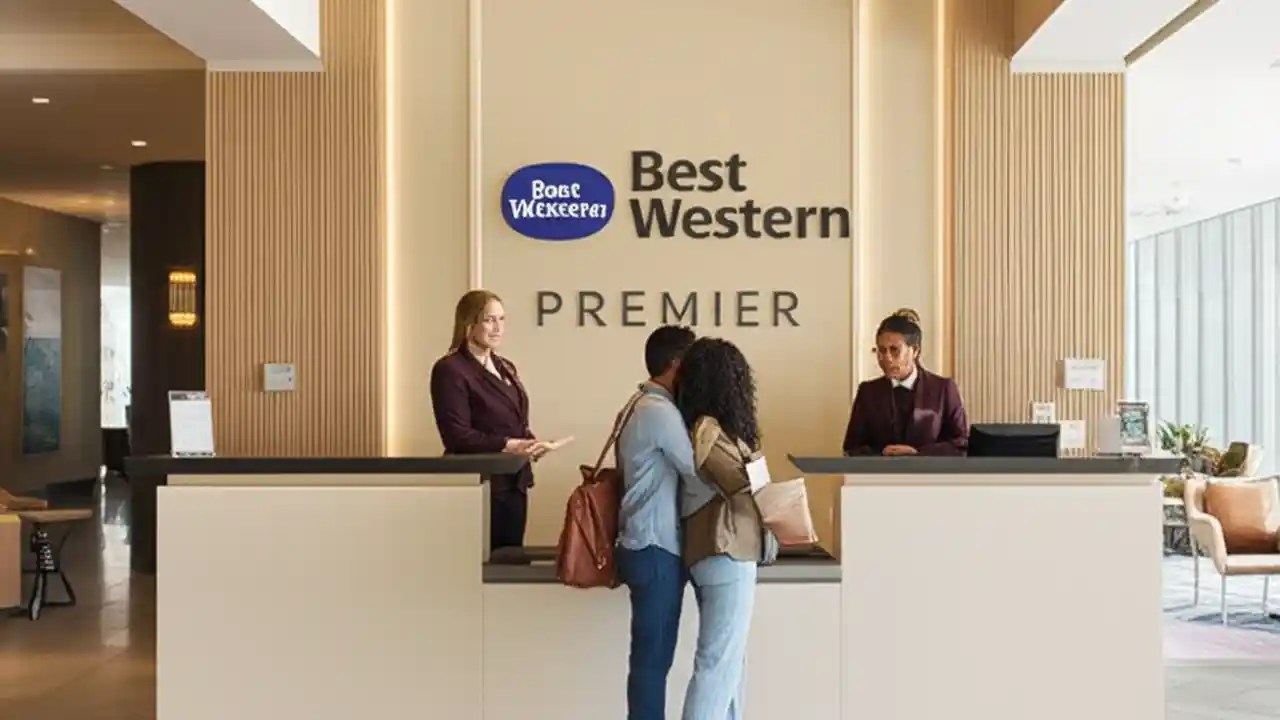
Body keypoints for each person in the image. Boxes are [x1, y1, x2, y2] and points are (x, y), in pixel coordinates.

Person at [675, 337, 766, 720]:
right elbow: (742, 483)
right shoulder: (709, 429)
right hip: (727, 549)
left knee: (730, 666)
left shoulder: (700, 426)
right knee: (718, 665)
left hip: (717, 551)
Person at [616, 325, 699, 720]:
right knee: (653, 661)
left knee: (649, 659)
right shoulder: (659, 412)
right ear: (677, 365)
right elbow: (698, 471)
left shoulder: (638, 404)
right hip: (656, 547)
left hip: (642, 543)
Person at [430, 289, 547, 550]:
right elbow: (456, 435)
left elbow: (511, 420)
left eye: (502, 319)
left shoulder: (505, 366)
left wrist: (529, 444)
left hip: (513, 481)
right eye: (489, 320)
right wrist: (509, 444)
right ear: (469, 323)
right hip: (480, 485)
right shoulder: (451, 370)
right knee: (483, 567)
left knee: (511, 560)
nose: (497, 328)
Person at [842, 309, 969, 456]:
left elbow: (961, 444)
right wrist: (881, 452)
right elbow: (851, 448)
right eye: (881, 350)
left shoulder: (943, 389)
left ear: (914, 351)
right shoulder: (868, 392)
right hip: (880, 477)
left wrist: (918, 453)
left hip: (931, 476)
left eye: (894, 350)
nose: (886, 358)